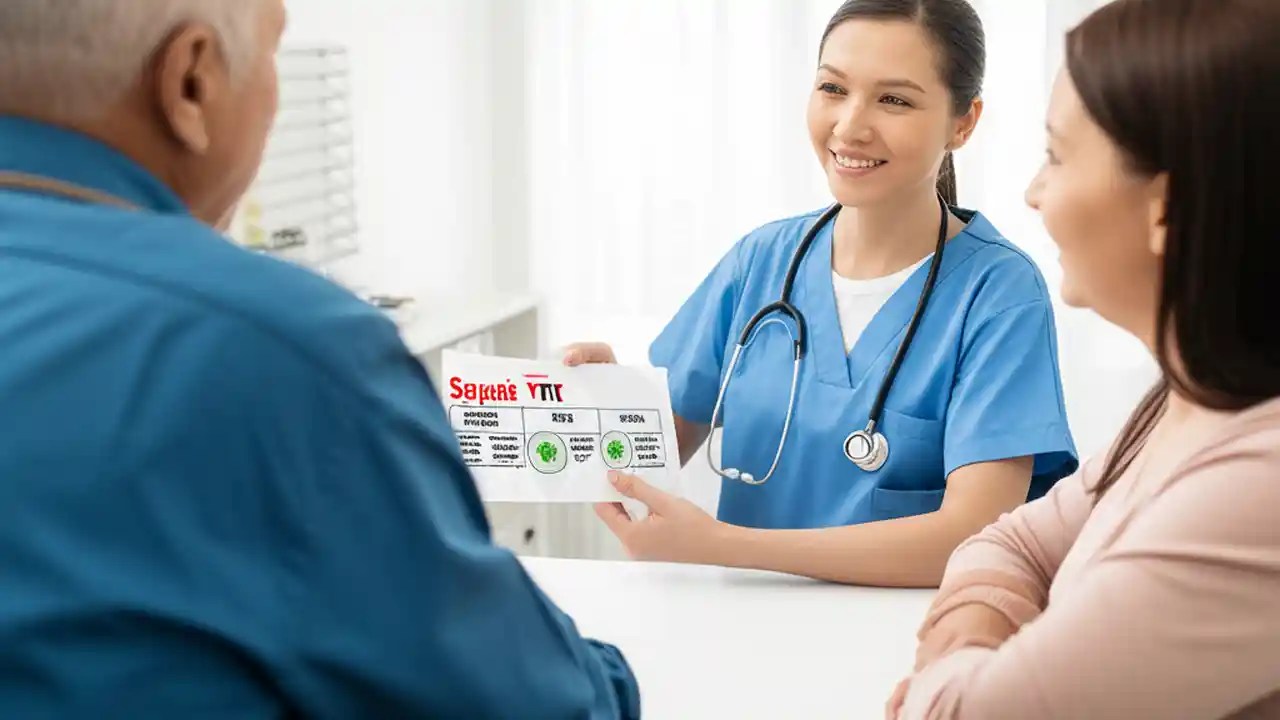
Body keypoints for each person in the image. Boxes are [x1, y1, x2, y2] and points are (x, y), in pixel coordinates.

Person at [0, 1, 639, 717]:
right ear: (190, 81)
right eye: (274, 55)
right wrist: (602, 670)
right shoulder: (277, 348)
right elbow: (529, 703)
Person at [566, 0, 1078, 587]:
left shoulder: (999, 294)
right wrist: (606, 415)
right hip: (739, 627)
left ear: (963, 122)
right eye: (833, 88)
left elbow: (975, 536)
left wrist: (723, 545)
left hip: (905, 647)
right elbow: (645, 464)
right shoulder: (760, 263)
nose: (851, 125)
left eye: (894, 99)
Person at [888, 0, 1280, 716]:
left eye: (1057, 155)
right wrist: (977, 641)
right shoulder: (1185, 404)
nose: (1033, 194)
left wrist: (954, 666)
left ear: (1169, 207)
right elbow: (1013, 541)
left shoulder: (1261, 485)